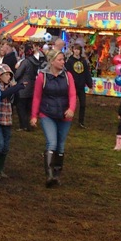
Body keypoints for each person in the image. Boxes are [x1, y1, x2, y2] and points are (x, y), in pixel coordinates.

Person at [31, 49, 76, 188]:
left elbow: (73, 95)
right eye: (60, 60)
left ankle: (57, 175)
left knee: (60, 144)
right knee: (52, 142)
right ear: (51, 61)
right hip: (47, 113)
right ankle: (49, 175)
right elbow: (37, 96)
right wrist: (34, 115)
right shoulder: (42, 77)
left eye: (63, 60)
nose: (63, 62)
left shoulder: (68, 76)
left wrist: (71, 109)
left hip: (64, 115)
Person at [0, 63, 20, 181]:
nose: (9, 77)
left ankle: (0, 169)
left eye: (10, 74)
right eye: (6, 74)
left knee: (6, 145)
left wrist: (15, 90)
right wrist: (15, 88)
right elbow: (0, 96)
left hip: (7, 119)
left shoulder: (10, 87)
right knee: (0, 143)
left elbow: (14, 101)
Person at [13, 43, 42, 131]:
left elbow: (18, 74)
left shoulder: (25, 62)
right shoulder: (36, 62)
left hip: (23, 86)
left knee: (21, 107)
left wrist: (16, 71)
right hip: (32, 86)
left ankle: (23, 125)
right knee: (28, 108)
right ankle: (29, 124)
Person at [65, 43, 93, 128]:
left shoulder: (83, 61)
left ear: (80, 51)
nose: (77, 51)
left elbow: (87, 73)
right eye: (75, 49)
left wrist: (90, 85)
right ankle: (66, 118)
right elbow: (67, 73)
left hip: (81, 86)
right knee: (69, 104)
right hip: (72, 86)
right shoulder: (69, 61)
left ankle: (81, 122)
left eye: (78, 49)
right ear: (73, 50)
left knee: (83, 104)